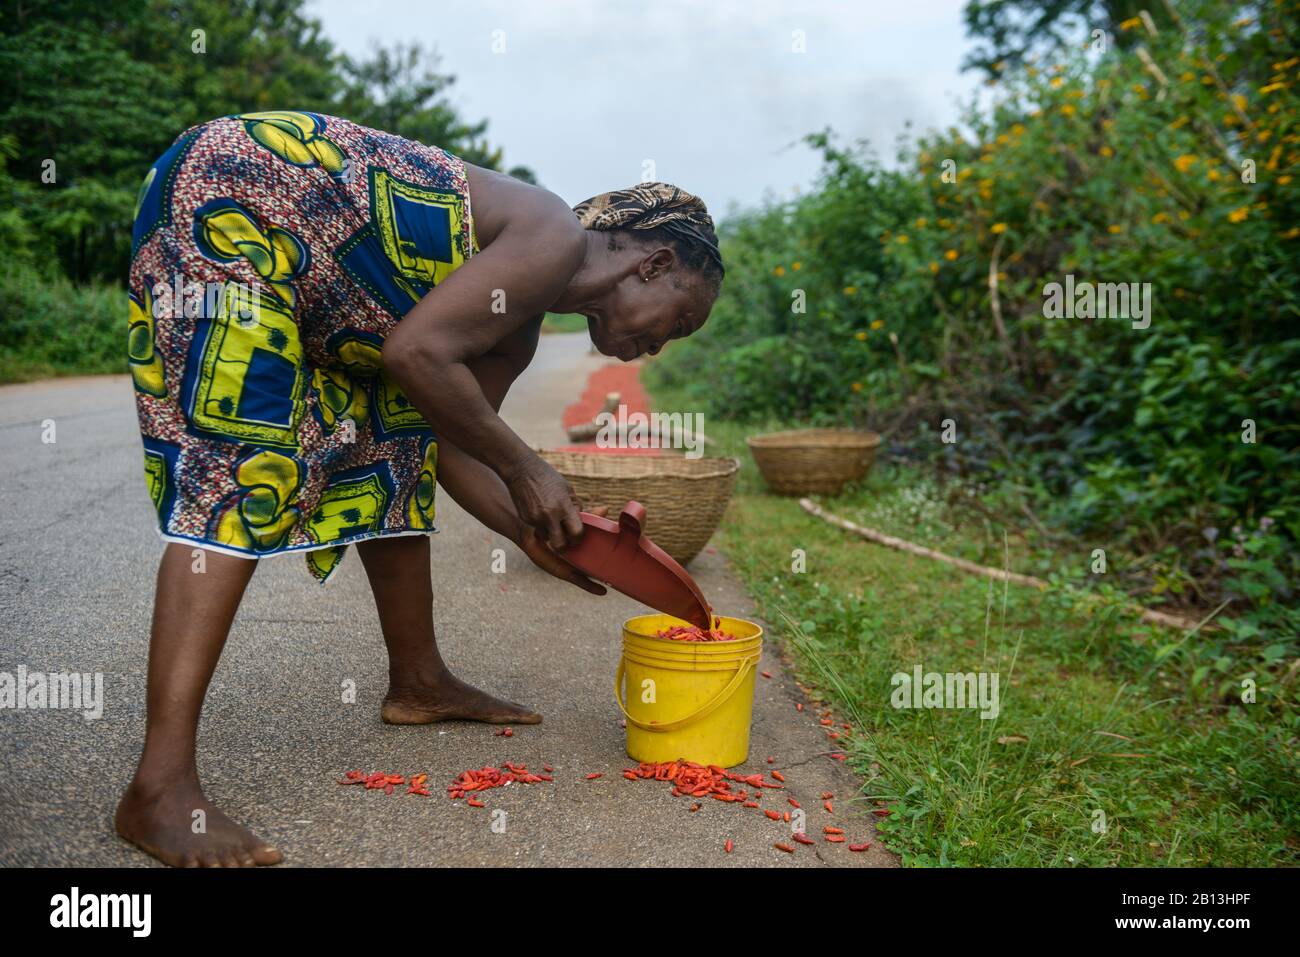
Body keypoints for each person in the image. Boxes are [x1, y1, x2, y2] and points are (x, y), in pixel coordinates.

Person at [117, 110, 723, 867]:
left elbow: (445, 439)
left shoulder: (519, 324)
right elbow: (418, 351)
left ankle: (420, 680)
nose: (655, 347)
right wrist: (530, 470)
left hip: (314, 288)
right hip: (237, 196)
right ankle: (160, 787)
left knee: (396, 443)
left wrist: (529, 531)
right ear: (654, 264)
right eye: (678, 321)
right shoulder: (551, 235)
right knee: (244, 470)